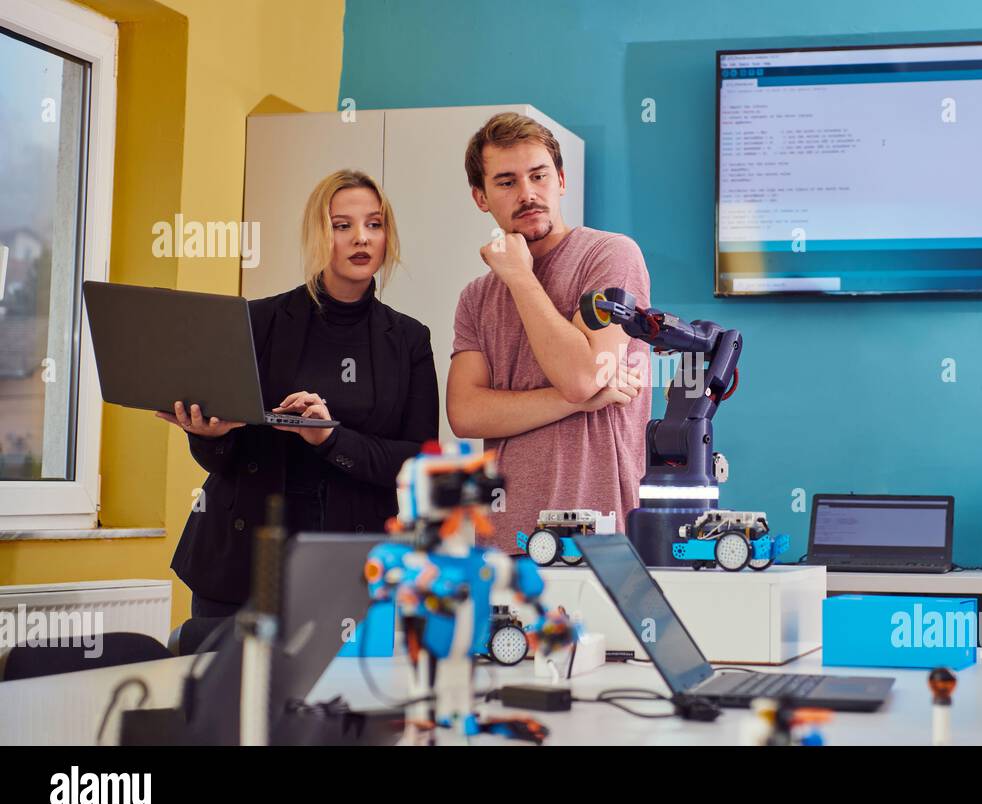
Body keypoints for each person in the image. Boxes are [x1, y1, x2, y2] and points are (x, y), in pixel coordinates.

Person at [159, 169, 439, 617]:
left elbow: (416, 462)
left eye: (374, 223)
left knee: (345, 688)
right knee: (229, 687)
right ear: (317, 235)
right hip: (243, 560)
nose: (361, 239)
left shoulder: (408, 339)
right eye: (341, 225)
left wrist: (330, 438)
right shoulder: (256, 321)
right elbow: (225, 461)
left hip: (353, 562)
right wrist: (208, 435)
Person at [447, 112, 650, 553]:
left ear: (560, 179)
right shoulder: (476, 297)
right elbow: (465, 413)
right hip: (502, 540)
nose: (527, 194)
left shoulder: (610, 255)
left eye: (538, 176)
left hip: (601, 536)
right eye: (506, 182)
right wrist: (579, 400)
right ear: (480, 198)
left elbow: (578, 374)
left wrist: (520, 277)